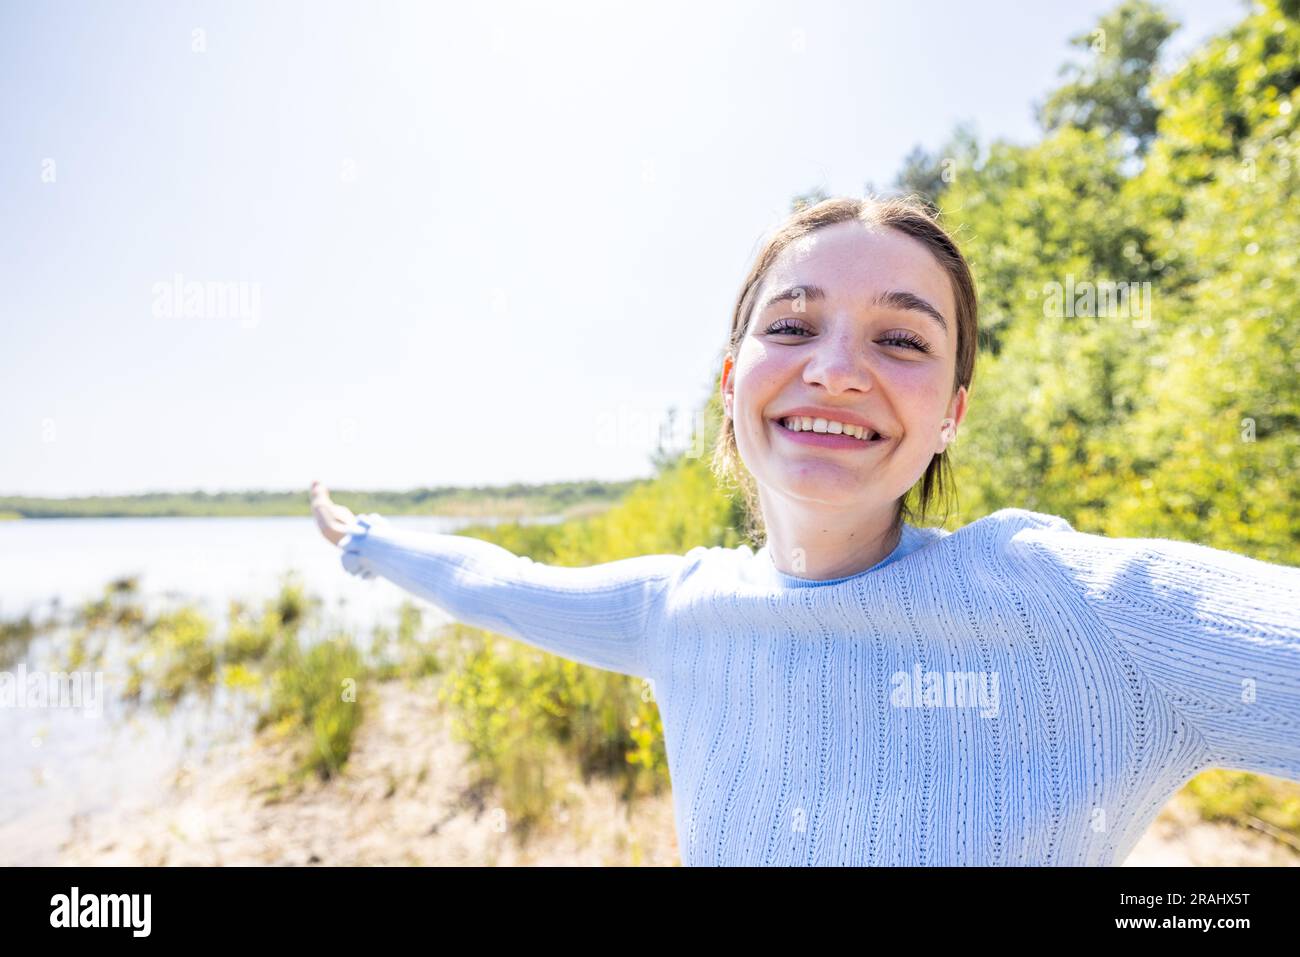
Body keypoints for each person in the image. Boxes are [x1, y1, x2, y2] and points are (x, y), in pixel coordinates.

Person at [310, 195, 1300, 867]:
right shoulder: (678, 610)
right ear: (732, 378)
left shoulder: (1082, 613)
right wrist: (366, 541)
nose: (833, 368)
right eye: (791, 325)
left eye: (900, 338)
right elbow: (496, 583)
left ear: (951, 412)